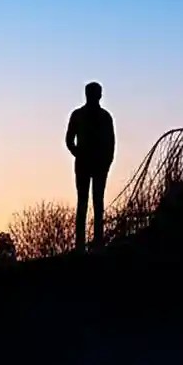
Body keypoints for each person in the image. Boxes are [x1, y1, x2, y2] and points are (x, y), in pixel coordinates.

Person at [65, 82, 115, 250]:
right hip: (83, 165)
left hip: (99, 165)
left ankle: (98, 241)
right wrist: (79, 154)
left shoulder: (105, 117)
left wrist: (106, 163)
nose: (92, 96)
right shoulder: (78, 115)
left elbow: (111, 144)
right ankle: (80, 244)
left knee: (98, 202)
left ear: (99, 95)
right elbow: (69, 140)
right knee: (83, 203)